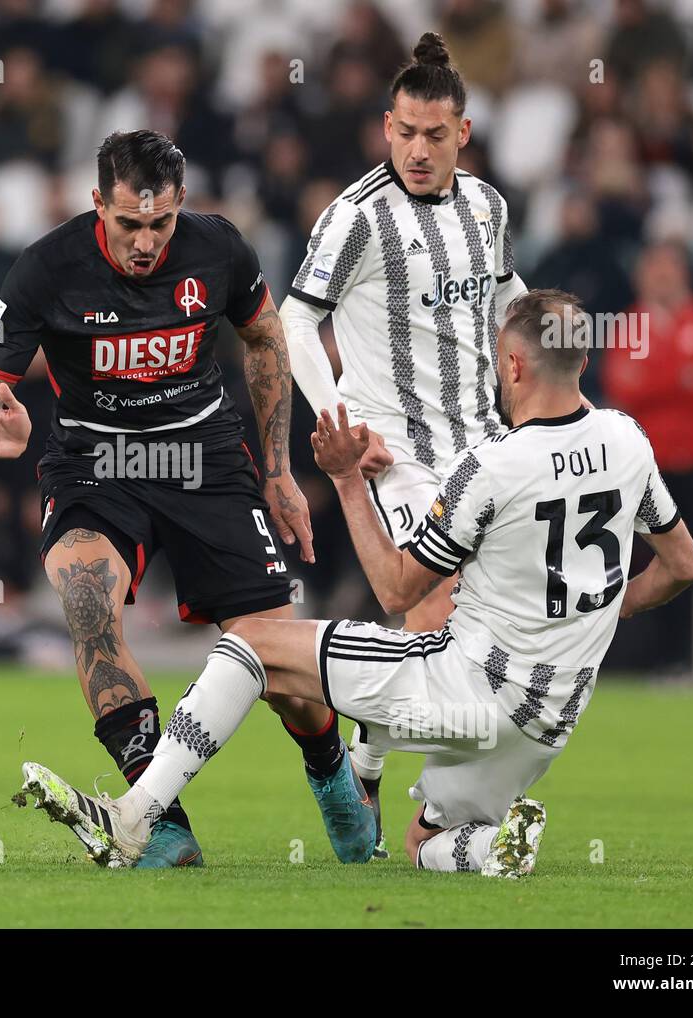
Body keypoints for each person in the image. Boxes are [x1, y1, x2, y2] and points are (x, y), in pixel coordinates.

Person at [18, 289, 693, 877]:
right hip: (550, 720)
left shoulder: (492, 466)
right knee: (426, 842)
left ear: (515, 364)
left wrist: (346, 479)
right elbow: (680, 566)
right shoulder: (628, 441)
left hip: (465, 692)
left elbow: (399, 591)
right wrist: (602, 613)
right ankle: (490, 847)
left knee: (254, 642)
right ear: (582, 358)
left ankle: (134, 817)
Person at [0, 129, 377, 868]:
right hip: (94, 462)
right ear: (96, 205)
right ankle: (159, 821)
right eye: (128, 224)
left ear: (181, 206)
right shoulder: (46, 268)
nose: (146, 241)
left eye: (161, 223)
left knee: (277, 661)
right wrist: (3, 423)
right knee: (87, 603)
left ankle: (332, 772)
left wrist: (276, 472)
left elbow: (267, 340)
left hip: (204, 457)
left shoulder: (219, 250)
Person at [280, 32, 527, 854]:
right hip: (400, 455)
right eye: (404, 133)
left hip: (484, 444)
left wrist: (542, 375)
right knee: (437, 614)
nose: (417, 151)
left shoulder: (488, 208)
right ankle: (449, 820)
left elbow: (503, 297)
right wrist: (340, 425)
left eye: (435, 135)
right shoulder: (355, 216)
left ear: (463, 133)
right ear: (386, 126)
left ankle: (370, 758)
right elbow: (293, 319)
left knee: (475, 636)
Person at [601, 241, 693, 678]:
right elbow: (624, 386)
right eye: (653, 268)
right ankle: (673, 661)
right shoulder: (629, 325)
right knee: (659, 563)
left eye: (668, 268)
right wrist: (681, 374)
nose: (661, 276)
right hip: (654, 471)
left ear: (684, 274)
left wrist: (658, 377)